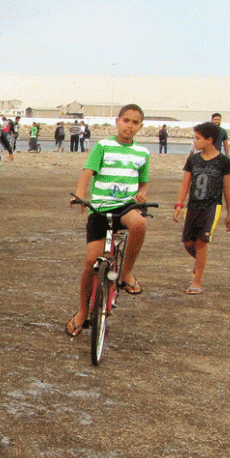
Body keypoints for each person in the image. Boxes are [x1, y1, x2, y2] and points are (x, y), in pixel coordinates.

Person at [66, 104, 150, 338]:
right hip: (101, 209)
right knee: (90, 262)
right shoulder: (103, 146)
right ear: (117, 121)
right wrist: (81, 196)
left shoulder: (143, 153)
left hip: (126, 206)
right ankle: (83, 312)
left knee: (140, 224)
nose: (130, 126)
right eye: (126, 121)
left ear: (140, 126)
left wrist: (143, 192)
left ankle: (126, 274)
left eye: (135, 122)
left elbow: (143, 183)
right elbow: (87, 174)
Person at [173, 121, 230, 295]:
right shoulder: (193, 160)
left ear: (210, 140)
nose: (194, 141)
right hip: (193, 206)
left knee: (202, 242)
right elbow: (185, 184)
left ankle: (196, 281)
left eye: (197, 138)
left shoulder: (224, 161)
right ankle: (200, 262)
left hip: (212, 207)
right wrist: (179, 204)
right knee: (187, 242)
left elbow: (228, 189)